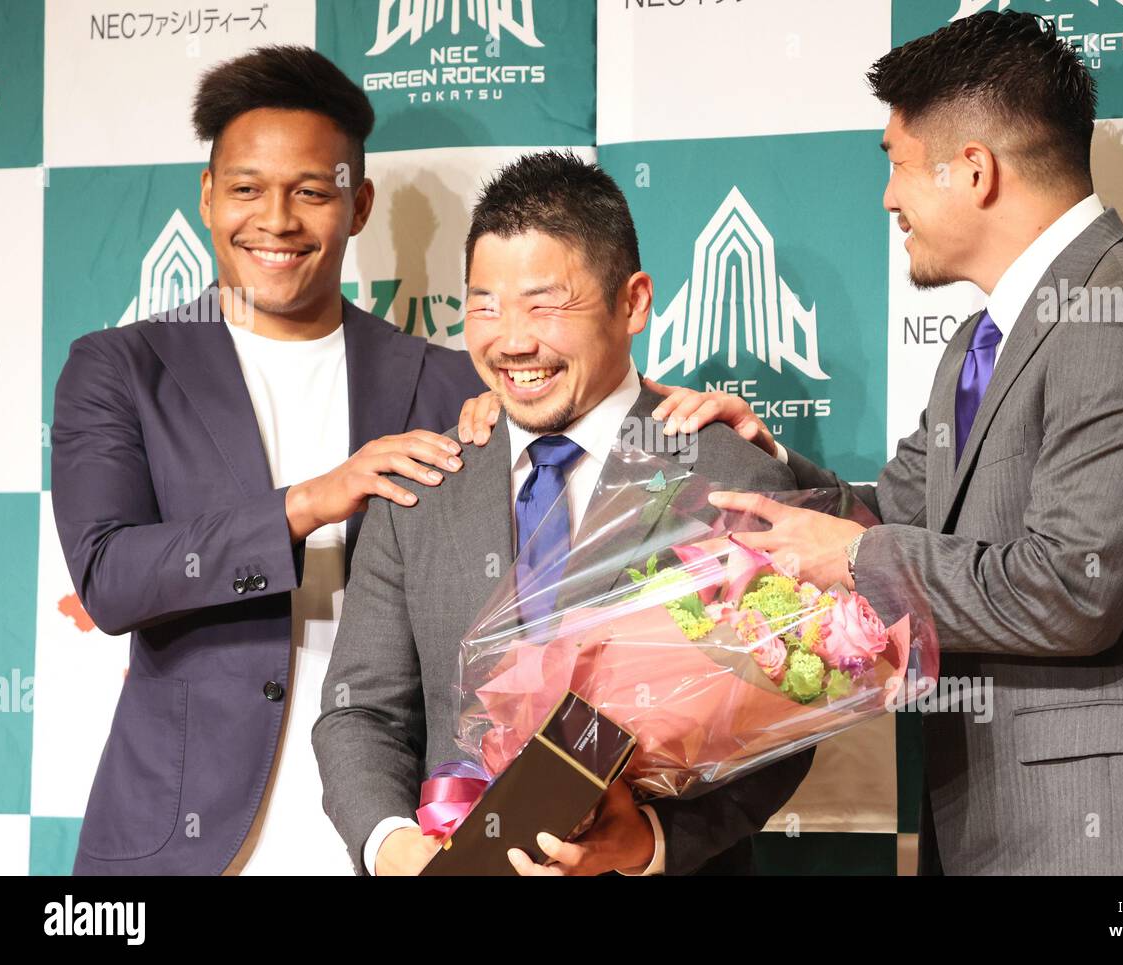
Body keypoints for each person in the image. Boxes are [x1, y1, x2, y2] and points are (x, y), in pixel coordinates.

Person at [605, 12, 1123, 874]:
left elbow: (1068, 589)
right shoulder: (977, 343)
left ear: (974, 170)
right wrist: (774, 469)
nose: (888, 197)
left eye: (896, 164)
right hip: (994, 825)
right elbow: (895, 515)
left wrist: (852, 556)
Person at [313, 151, 813, 876]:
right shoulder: (423, 485)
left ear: (634, 301)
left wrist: (647, 840)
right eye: (484, 304)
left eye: (545, 303)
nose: (511, 339)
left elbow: (787, 720)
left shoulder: (732, 475)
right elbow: (360, 711)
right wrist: (393, 846)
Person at [52, 45, 485, 875]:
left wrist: (694, 421)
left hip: (399, 832)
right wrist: (312, 500)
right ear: (209, 197)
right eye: (247, 188)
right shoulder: (121, 367)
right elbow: (110, 575)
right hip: (182, 842)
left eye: (311, 192)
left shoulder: (447, 380)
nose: (277, 221)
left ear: (357, 205)